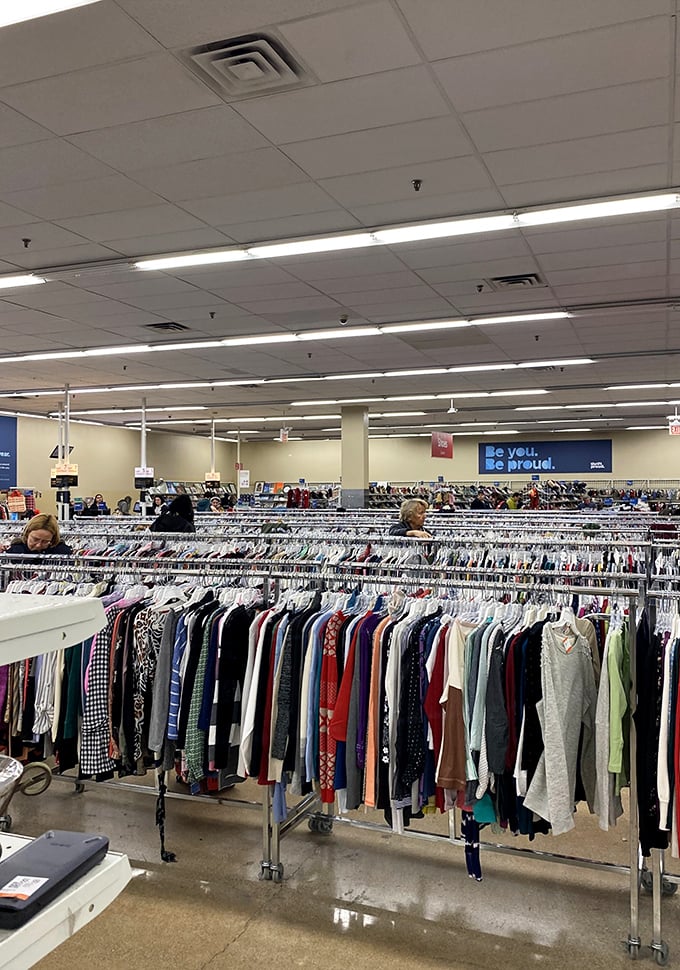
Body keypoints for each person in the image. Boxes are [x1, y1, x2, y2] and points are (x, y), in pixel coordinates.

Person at [4, 513, 72, 555]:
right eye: (35, 539)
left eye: (45, 541)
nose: (38, 545)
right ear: (27, 534)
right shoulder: (14, 552)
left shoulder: (62, 553)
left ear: (52, 539)